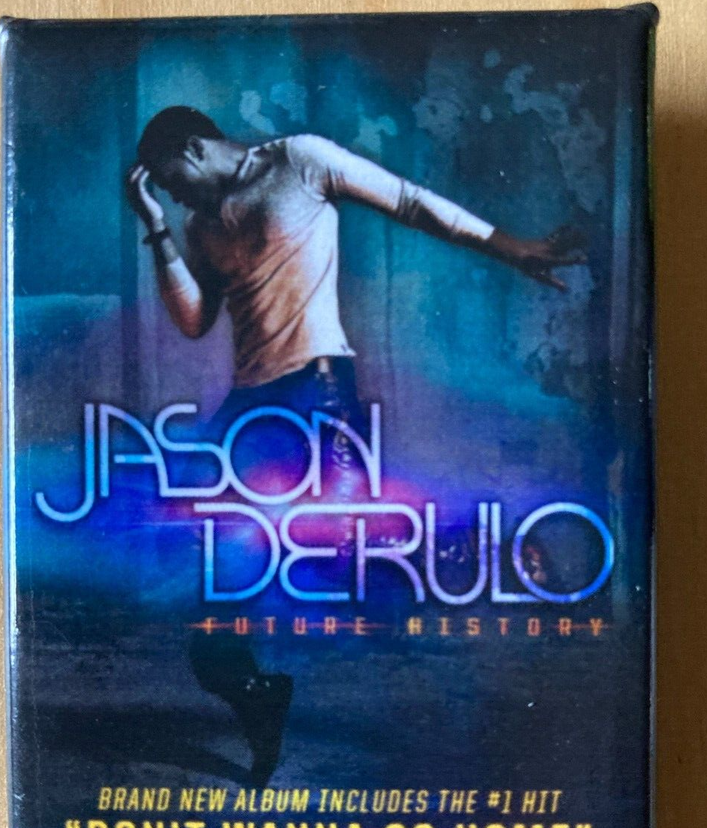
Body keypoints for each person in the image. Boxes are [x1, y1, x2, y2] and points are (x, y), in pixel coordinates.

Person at [126, 105, 583, 783]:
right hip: (250, 409)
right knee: (211, 582)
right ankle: (257, 694)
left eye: (170, 183)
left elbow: (408, 201)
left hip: (317, 391)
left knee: (346, 551)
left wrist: (507, 246)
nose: (174, 196)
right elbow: (195, 320)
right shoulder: (200, 225)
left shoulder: (299, 160)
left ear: (194, 148)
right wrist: (157, 226)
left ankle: (496, 549)